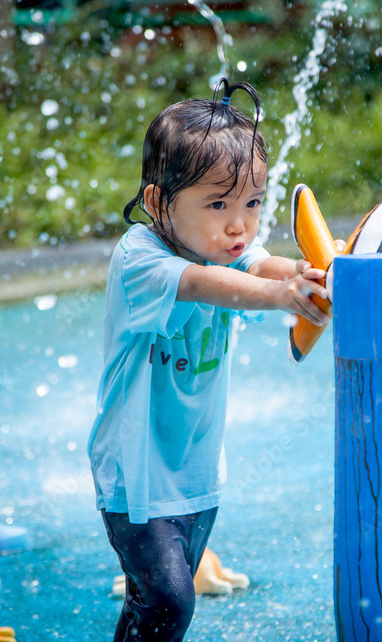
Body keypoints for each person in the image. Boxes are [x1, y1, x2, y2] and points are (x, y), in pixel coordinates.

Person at [88, 79, 329, 642]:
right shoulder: (140, 259)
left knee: (156, 605)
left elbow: (263, 266)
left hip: (195, 472)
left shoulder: (231, 248)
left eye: (251, 203)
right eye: (217, 204)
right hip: (136, 476)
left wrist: (304, 275)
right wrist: (281, 295)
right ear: (156, 203)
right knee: (170, 602)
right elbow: (205, 285)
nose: (238, 224)